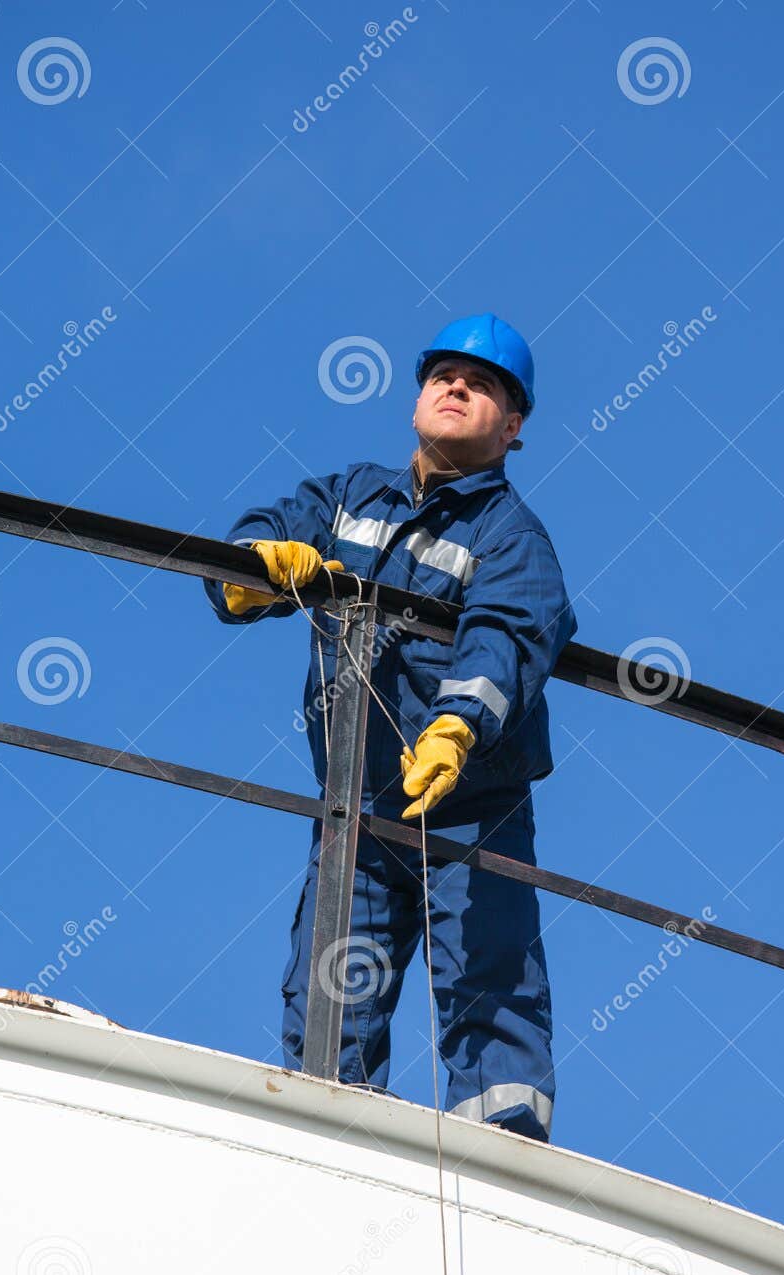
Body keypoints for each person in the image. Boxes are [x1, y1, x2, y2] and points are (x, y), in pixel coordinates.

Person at [204, 313, 577, 1143]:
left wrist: (455, 727)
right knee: (329, 990)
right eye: (444, 375)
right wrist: (255, 572)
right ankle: (337, 1141)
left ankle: (506, 1160)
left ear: (512, 428)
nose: (456, 388)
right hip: (358, 805)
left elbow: (509, 634)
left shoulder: (509, 537)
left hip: (471, 806)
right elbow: (257, 537)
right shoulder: (346, 496)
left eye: (480, 385)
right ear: (418, 397)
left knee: (490, 980)